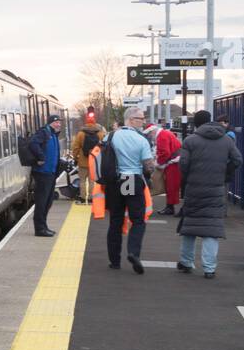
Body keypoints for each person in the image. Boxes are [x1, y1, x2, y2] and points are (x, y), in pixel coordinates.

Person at [175, 110, 241, 279]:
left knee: (189, 227)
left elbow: (183, 164)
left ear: (195, 124)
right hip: (216, 189)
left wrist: (190, 176)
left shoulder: (190, 140)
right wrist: (225, 174)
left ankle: (186, 262)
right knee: (211, 229)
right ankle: (209, 268)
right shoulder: (226, 140)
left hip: (194, 189)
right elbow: (237, 160)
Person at [103, 106, 155, 273]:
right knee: (137, 220)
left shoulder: (110, 136)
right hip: (131, 180)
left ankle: (114, 261)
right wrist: (150, 170)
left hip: (114, 182)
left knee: (116, 221)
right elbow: (149, 166)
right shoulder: (141, 140)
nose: (143, 121)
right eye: (140, 118)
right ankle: (133, 252)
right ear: (131, 119)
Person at [28, 113, 62, 237]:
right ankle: (39, 229)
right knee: (42, 202)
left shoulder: (53, 134)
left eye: (59, 122)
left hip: (50, 173)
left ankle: (44, 226)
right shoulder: (44, 133)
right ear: (51, 123)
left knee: (48, 201)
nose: (59, 124)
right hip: (43, 173)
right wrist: (41, 156)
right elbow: (33, 144)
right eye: (57, 122)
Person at [71, 111, 106, 205]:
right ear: (95, 123)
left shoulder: (81, 134)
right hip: (95, 161)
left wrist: (76, 158)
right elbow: (104, 146)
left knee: (82, 181)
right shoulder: (100, 133)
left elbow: (75, 147)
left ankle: (82, 198)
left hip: (82, 161)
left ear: (86, 122)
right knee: (92, 181)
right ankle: (91, 199)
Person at [155, 122, 183, 216]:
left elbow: (165, 152)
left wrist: (159, 162)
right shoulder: (165, 134)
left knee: (171, 185)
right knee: (172, 185)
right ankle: (170, 206)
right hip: (175, 161)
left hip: (173, 163)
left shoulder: (161, 136)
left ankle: (170, 207)